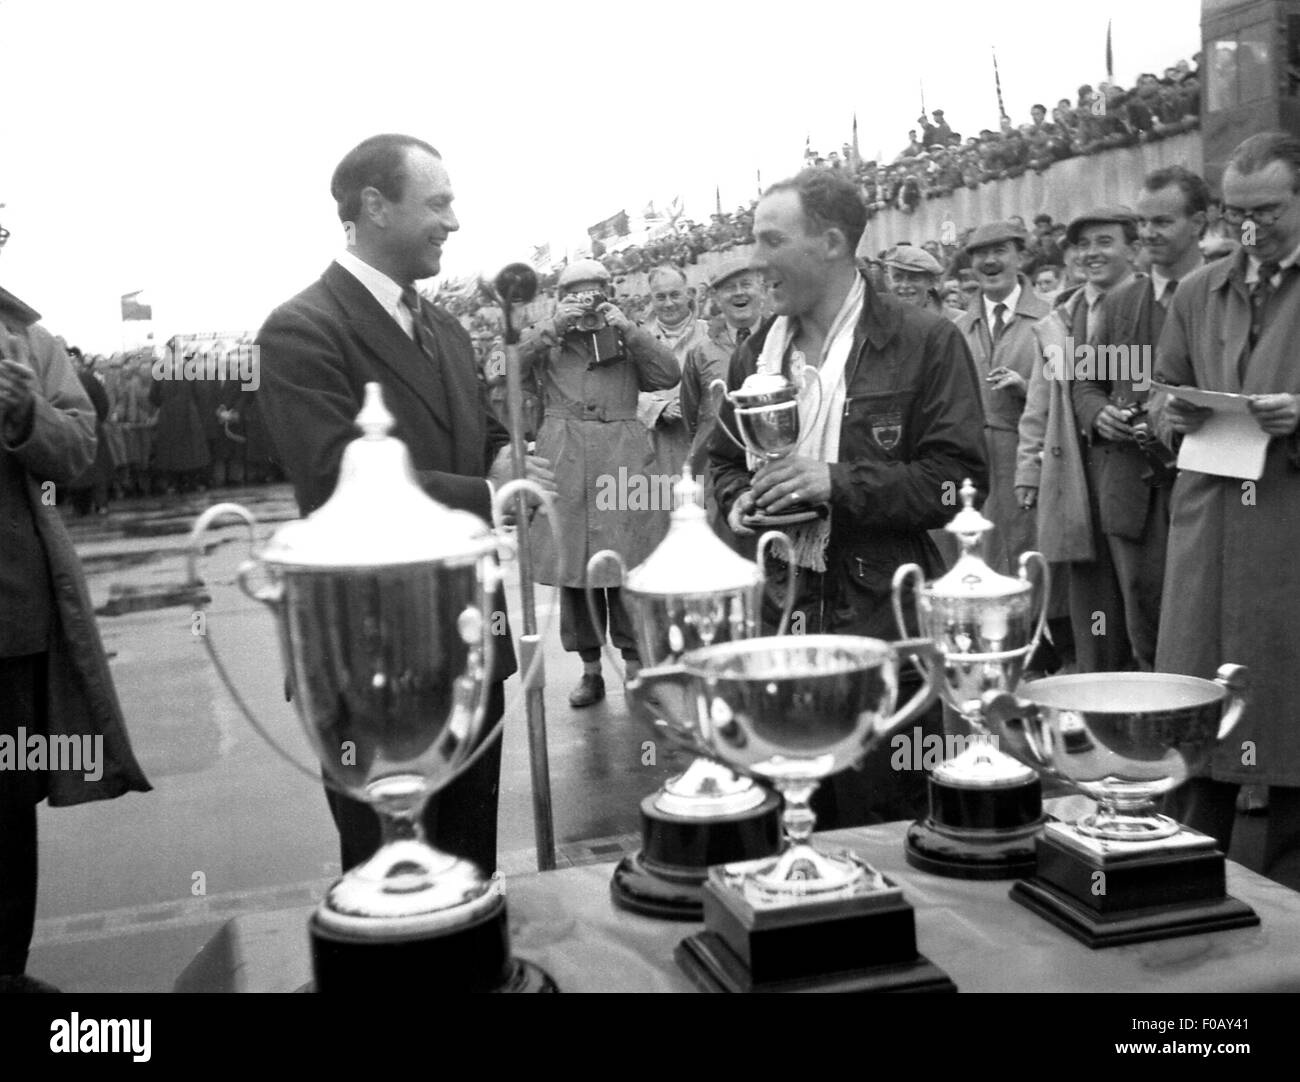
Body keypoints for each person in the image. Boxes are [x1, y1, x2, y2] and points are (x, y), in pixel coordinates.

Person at [255, 134, 554, 877]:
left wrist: (502, 455)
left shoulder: (446, 328)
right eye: (439, 202)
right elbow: (334, 480)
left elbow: (481, 434)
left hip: (467, 637)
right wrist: (489, 496)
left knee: (470, 862)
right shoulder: (304, 329)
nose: (453, 222)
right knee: (391, 871)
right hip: (368, 655)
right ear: (374, 206)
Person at [710, 168, 987, 828]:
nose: (756, 260)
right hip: (780, 615)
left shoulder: (925, 341)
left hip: (885, 626)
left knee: (886, 831)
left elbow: (959, 485)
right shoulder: (755, 353)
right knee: (787, 825)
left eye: (771, 240)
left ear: (831, 243)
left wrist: (835, 481)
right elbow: (721, 462)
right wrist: (738, 503)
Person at [1155, 132, 1300, 882]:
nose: (1250, 228)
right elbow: (1157, 393)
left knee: (1292, 716)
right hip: (1210, 533)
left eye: (1268, 210)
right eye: (1236, 212)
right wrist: (1172, 415)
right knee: (1200, 717)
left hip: (1287, 533)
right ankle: (1188, 880)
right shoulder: (1194, 291)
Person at [0, 287, 151, 992]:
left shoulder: (25, 339)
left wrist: (26, 412)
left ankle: (8, 970)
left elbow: (79, 451)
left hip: (13, 619)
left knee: (4, 806)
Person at [516, 259, 680, 708]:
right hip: (565, 454)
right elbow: (504, 367)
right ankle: (590, 670)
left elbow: (668, 376)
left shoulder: (627, 336)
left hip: (622, 455)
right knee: (576, 572)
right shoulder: (549, 337)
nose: (587, 304)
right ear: (560, 297)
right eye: (576, 294)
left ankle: (634, 667)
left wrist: (628, 329)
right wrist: (553, 324)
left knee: (626, 565)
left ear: (610, 293)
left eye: (595, 294)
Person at [1070, 167, 1207, 671]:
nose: (1148, 234)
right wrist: (1099, 414)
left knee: (1205, 626)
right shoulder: (1124, 301)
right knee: (1145, 628)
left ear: (1200, 223)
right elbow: (1086, 382)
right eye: (1143, 222)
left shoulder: (1221, 291)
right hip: (1133, 490)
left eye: (1162, 222)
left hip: (1206, 484)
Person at [1015, 207, 1139, 674]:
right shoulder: (1062, 316)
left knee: (1140, 594)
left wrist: (1091, 392)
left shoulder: (1152, 303)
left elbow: (1138, 378)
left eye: (1105, 242)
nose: (1092, 254)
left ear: (1132, 247)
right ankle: (1096, 692)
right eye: (1083, 245)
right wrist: (1029, 471)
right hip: (1076, 471)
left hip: (1135, 476)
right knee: (1092, 595)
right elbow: (1039, 403)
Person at [954, 221, 1052, 576]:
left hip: (1029, 458)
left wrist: (1026, 388)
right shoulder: (960, 327)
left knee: (1031, 556)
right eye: (981, 254)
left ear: (1020, 257)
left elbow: (1073, 398)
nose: (990, 262)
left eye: (1000, 252)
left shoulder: (1051, 320)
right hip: (973, 463)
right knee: (979, 557)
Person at [679, 257, 764, 545]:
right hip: (718, 476)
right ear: (715, 297)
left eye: (746, 284)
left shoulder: (782, 341)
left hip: (770, 468)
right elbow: (692, 418)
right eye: (729, 288)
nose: (739, 293)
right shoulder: (700, 352)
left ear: (761, 288)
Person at [636, 264, 702, 481]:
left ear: (688, 294)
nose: (669, 303)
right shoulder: (636, 340)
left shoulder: (711, 333)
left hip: (701, 444)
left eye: (675, 295)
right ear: (651, 300)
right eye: (661, 297)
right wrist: (658, 408)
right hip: (656, 446)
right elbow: (621, 390)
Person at [883, 246, 965, 322]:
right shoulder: (882, 322)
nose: (904, 285)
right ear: (888, 281)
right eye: (898, 278)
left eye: (913, 278)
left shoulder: (958, 321)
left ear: (931, 282)